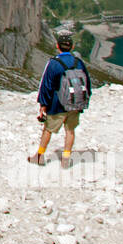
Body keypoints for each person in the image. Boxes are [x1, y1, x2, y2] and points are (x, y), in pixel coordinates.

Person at [29, 27, 91, 170]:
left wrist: (43, 105)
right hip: (75, 103)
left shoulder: (54, 63)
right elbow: (87, 82)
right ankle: (66, 159)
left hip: (58, 104)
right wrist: (83, 101)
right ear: (72, 46)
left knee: (48, 130)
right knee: (70, 131)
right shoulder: (78, 62)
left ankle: (39, 157)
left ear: (57, 46)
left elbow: (46, 85)